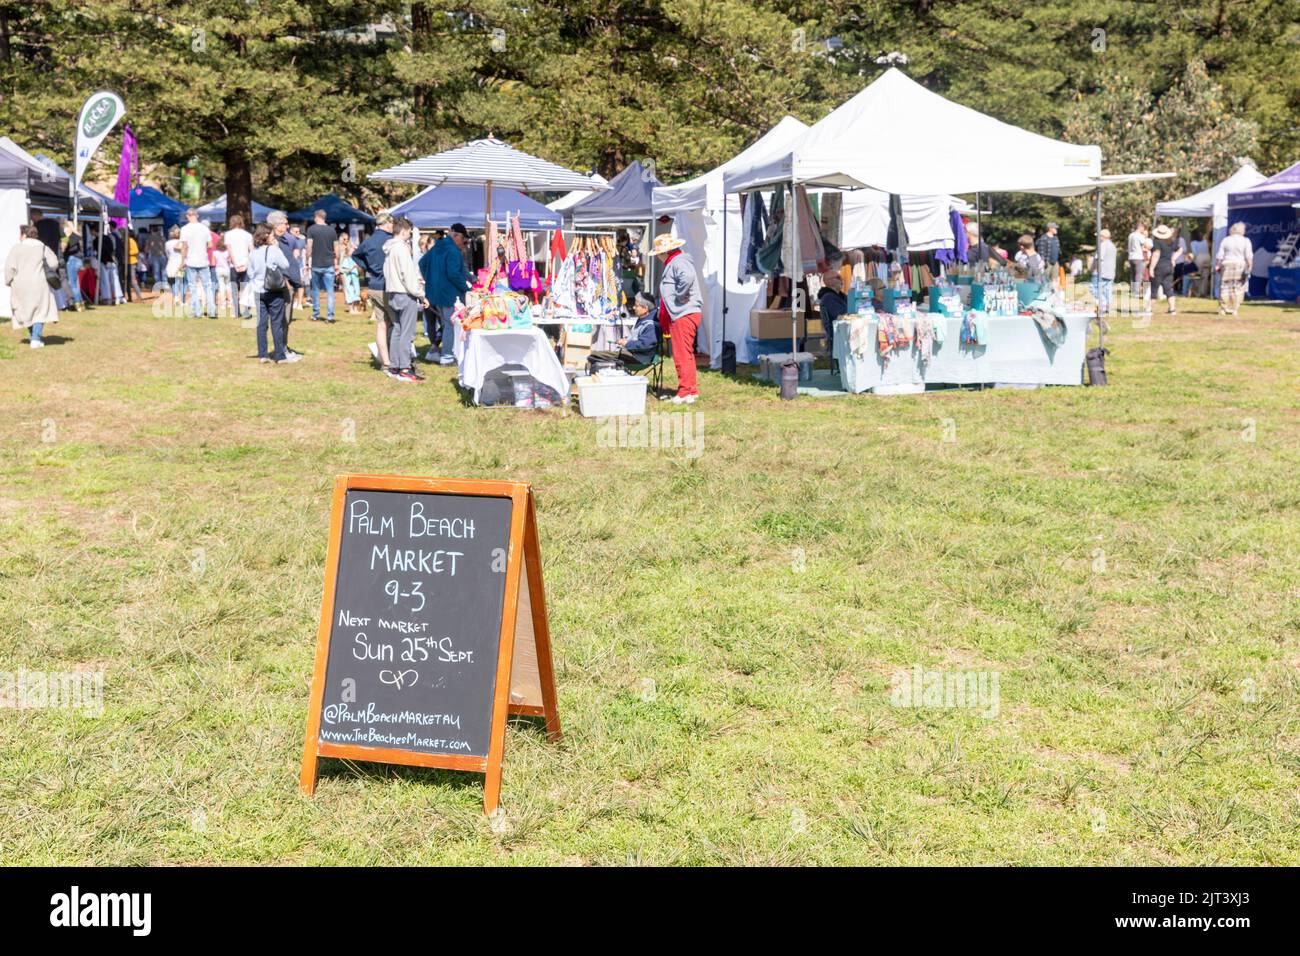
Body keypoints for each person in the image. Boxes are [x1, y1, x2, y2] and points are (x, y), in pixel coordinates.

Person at [649, 233, 702, 404]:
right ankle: (690, 390)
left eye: (658, 252)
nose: (657, 256)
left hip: (683, 313)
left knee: (681, 354)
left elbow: (686, 278)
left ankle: (684, 391)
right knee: (686, 353)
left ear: (665, 251)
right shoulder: (678, 260)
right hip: (684, 312)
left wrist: (680, 296)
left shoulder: (678, 261)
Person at [382, 217, 428, 382]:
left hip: (392, 293)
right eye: (409, 232)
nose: (410, 235)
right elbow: (408, 276)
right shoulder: (401, 248)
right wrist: (420, 294)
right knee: (407, 333)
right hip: (404, 293)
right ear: (403, 231)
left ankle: (395, 365)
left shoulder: (389, 248)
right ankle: (405, 367)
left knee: (397, 330)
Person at [422, 222, 472, 365]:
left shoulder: (438, 246)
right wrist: (466, 289)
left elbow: (422, 263)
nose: (464, 242)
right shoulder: (453, 250)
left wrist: (431, 280)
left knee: (445, 324)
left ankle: (436, 352)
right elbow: (454, 274)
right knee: (449, 325)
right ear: (456, 236)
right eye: (463, 239)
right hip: (448, 293)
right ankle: (447, 356)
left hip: (434, 293)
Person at [247, 223, 295, 364]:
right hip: (273, 290)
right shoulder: (274, 250)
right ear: (267, 236)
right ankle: (279, 355)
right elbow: (286, 264)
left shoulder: (253, 253)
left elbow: (250, 273)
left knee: (261, 323)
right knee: (276, 323)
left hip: (258, 290)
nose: (275, 237)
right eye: (273, 235)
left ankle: (263, 354)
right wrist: (277, 248)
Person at [5, 224, 59, 348]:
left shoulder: (16, 248)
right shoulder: (43, 247)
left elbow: (9, 268)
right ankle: (35, 338)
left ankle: (33, 336)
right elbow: (54, 263)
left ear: (24, 234)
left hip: (20, 284)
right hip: (39, 283)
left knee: (25, 310)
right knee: (40, 311)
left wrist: (8, 281)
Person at [352, 214, 394, 369]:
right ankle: (395, 359)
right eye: (392, 222)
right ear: (387, 223)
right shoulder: (391, 241)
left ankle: (385, 362)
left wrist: (368, 267)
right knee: (396, 324)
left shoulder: (368, 240)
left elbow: (355, 255)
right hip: (389, 286)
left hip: (374, 284)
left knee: (381, 324)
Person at [590, 292, 660, 368]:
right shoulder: (643, 320)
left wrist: (627, 343)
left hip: (638, 359)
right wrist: (626, 341)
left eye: (636, 306)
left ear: (645, 308)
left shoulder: (651, 325)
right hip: (631, 354)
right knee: (594, 355)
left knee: (593, 356)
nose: (633, 307)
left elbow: (645, 345)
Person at [179, 207, 215, 317]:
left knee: (193, 287)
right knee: (207, 286)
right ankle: (212, 311)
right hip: (203, 260)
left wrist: (182, 261)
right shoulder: (204, 228)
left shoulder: (185, 229)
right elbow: (210, 245)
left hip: (191, 261)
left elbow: (184, 246)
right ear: (197, 216)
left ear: (187, 216)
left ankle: (197, 312)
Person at [305, 209, 338, 323]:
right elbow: (336, 248)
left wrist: (306, 259)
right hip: (329, 264)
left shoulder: (311, 229)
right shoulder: (332, 230)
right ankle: (330, 316)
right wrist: (336, 260)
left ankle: (315, 314)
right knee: (330, 291)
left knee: (315, 290)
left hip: (316, 264)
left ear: (317, 217)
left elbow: (309, 246)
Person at [1215, 221, 1252, 316]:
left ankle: (1223, 308)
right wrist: (1250, 266)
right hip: (1240, 265)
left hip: (1226, 264)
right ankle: (1234, 309)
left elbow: (1220, 255)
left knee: (1225, 287)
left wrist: (1218, 265)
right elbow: (1248, 256)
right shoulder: (1246, 240)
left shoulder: (1226, 240)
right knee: (1238, 288)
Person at [223, 214, 254, 320]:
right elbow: (252, 250)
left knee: (234, 288)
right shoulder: (248, 235)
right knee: (245, 288)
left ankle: (236, 311)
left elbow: (230, 250)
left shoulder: (228, 234)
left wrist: (235, 264)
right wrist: (246, 264)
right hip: (246, 263)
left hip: (234, 265)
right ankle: (245, 311)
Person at [816, 271, 849, 358]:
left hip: (845, 330)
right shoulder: (828, 297)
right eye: (838, 277)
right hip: (838, 334)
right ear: (829, 282)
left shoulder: (842, 296)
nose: (842, 279)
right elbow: (840, 315)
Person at [1149, 223, 1178, 315]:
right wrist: (1173, 259)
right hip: (1169, 267)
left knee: (1154, 288)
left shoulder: (1157, 242)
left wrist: (1151, 268)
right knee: (1168, 289)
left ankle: (1148, 310)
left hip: (1159, 267)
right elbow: (1180, 250)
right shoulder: (1171, 242)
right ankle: (1172, 309)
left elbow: (1156, 255)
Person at [1092, 228, 1116, 315]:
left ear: (1103, 237)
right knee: (1108, 290)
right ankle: (1108, 307)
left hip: (1102, 271)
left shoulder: (1102, 245)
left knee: (1094, 288)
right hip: (1111, 271)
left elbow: (1099, 259)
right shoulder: (1113, 246)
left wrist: (1094, 270)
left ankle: (1103, 305)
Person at [1126, 222, 1150, 314]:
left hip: (1131, 256)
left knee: (1132, 275)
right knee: (1138, 275)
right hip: (1138, 256)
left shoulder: (1130, 235)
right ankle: (1136, 291)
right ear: (1140, 227)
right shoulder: (1139, 235)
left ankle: (1133, 289)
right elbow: (1146, 245)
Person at [337, 233, 362, 315]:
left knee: (356, 288)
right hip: (345, 270)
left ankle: (355, 308)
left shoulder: (352, 246)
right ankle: (351, 308)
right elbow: (342, 258)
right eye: (344, 239)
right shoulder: (340, 248)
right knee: (348, 288)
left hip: (353, 268)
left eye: (347, 239)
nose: (346, 241)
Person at [63, 225, 86, 313]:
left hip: (72, 260)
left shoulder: (71, 238)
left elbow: (65, 249)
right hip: (78, 260)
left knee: (73, 284)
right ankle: (81, 305)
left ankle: (77, 304)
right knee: (76, 284)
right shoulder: (77, 237)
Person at [286, 222, 308, 311]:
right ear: (290, 232)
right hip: (289, 266)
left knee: (300, 284)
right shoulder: (286, 241)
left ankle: (299, 303)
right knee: (291, 284)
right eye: (296, 232)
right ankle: (294, 301)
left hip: (299, 265)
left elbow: (304, 254)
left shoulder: (301, 241)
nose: (298, 233)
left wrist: (306, 265)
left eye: (298, 231)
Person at [164, 225, 185, 310]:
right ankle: (181, 300)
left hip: (171, 263)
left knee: (172, 282)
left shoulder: (167, 243)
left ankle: (175, 297)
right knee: (181, 282)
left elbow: (167, 254)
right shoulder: (183, 242)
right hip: (180, 262)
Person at [213, 237, 232, 316]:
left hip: (218, 270)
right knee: (228, 286)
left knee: (221, 287)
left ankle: (223, 304)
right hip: (227, 269)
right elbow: (230, 261)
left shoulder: (215, 253)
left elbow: (213, 262)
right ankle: (230, 303)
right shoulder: (227, 252)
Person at [1189, 230, 1211, 297]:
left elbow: (1195, 253)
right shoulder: (1205, 242)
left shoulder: (1193, 243)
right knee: (1205, 276)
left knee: (1197, 276)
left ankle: (1197, 292)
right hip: (1207, 257)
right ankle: (1203, 292)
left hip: (1199, 258)